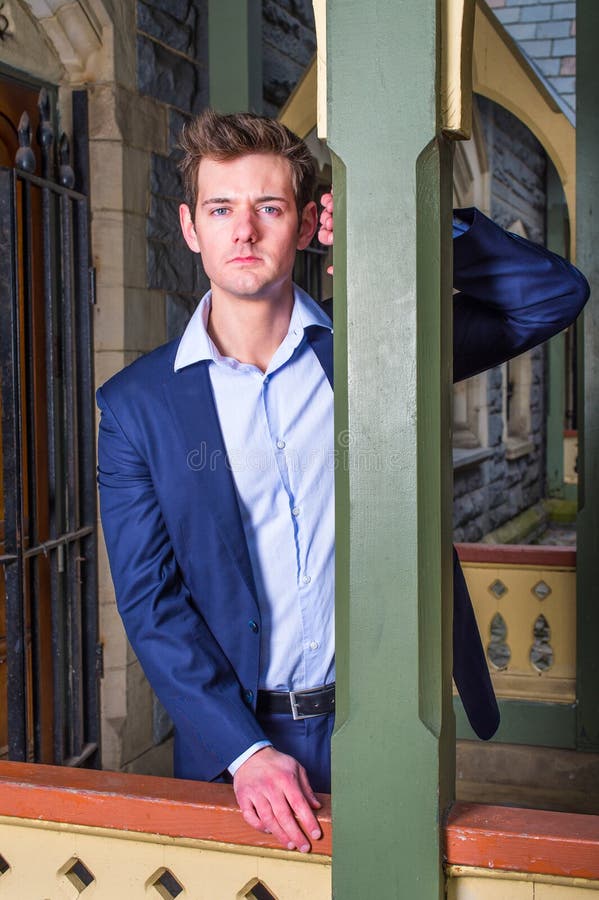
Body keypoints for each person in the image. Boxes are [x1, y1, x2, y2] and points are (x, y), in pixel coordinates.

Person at [97, 110, 589, 854]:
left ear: (305, 226)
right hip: (234, 745)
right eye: (220, 209)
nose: (244, 231)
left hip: (387, 721)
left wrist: (416, 229)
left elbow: (552, 296)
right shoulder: (137, 407)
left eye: (269, 208)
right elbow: (151, 604)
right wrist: (244, 753)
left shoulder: (380, 349)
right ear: (190, 227)